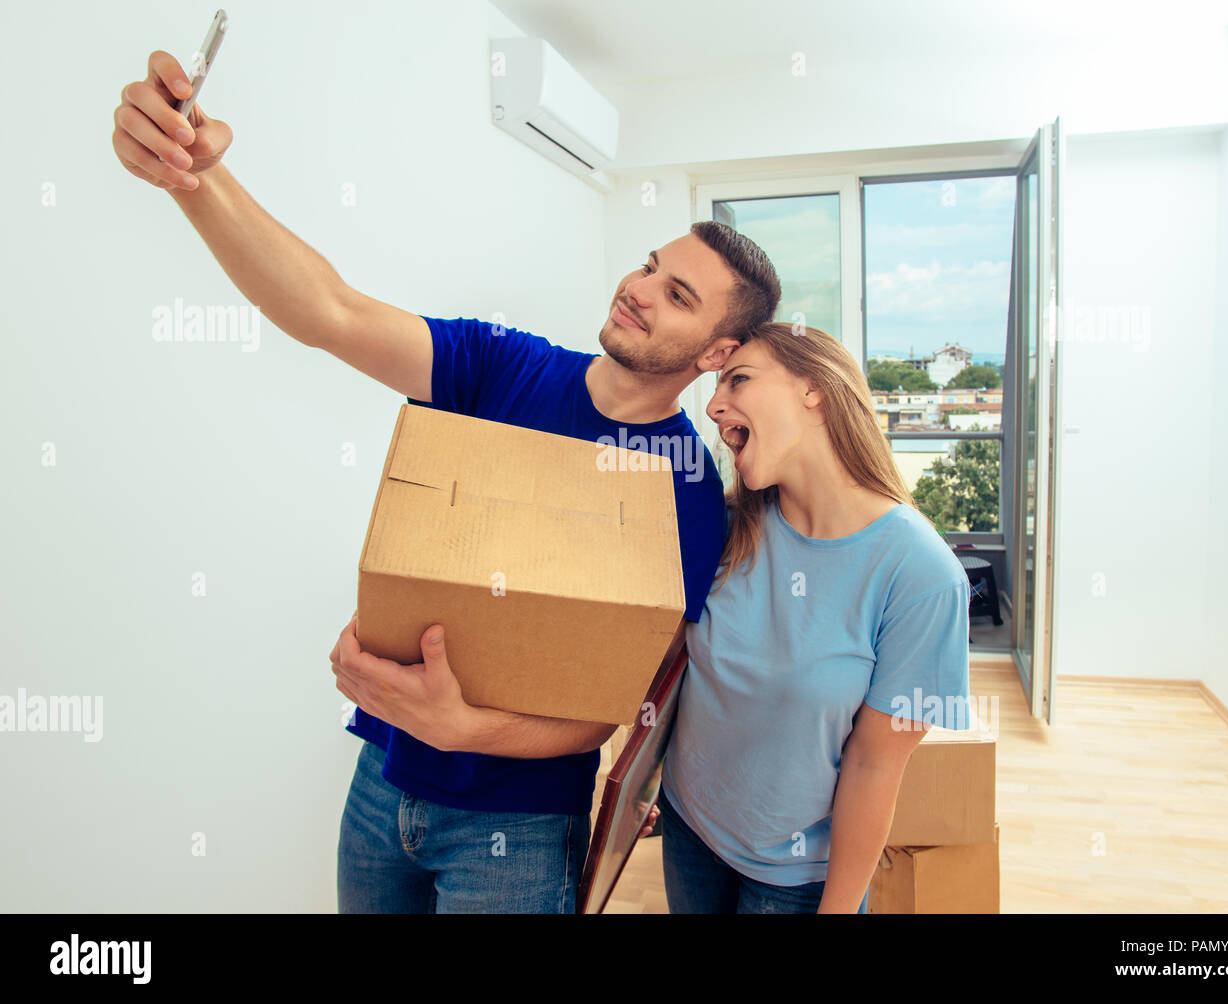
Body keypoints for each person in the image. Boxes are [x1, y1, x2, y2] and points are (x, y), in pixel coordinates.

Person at [110, 50, 780, 913]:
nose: (640, 288)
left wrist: (467, 730)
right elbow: (330, 311)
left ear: (716, 354)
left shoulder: (685, 489)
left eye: (678, 294)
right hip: (381, 785)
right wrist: (198, 180)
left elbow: (616, 706)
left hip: (519, 830)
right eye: (651, 264)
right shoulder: (499, 367)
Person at [647, 321, 973, 914]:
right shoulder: (725, 527)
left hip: (794, 882)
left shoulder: (922, 576)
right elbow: (681, 679)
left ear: (814, 388)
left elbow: (875, 767)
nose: (716, 406)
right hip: (689, 831)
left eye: (738, 380)